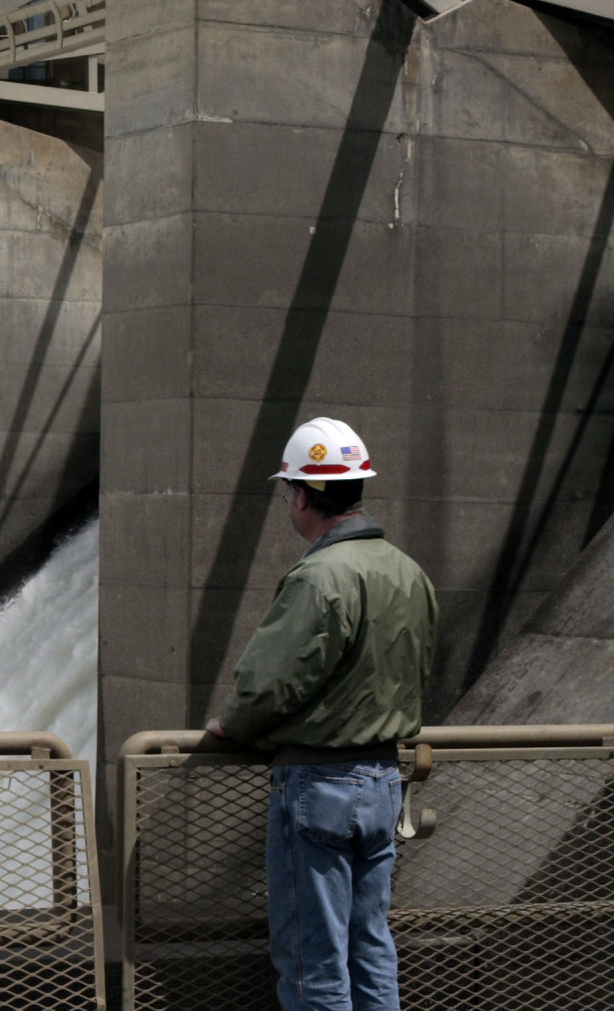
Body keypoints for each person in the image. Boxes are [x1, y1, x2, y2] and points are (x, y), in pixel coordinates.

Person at [204, 417, 438, 1011]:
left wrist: (234, 726)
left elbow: (269, 686)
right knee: (371, 949)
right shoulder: (409, 572)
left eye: (289, 492)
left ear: (303, 496)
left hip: (319, 786)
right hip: (385, 782)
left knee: (314, 962)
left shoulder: (319, 576)